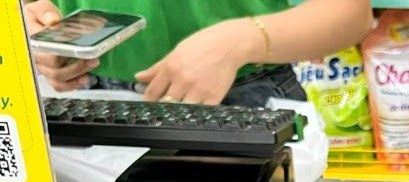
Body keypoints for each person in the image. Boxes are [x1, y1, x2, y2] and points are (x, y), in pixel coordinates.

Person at [22, 0, 373, 106]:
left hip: (242, 98)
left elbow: (349, 14)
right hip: (79, 101)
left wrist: (240, 40)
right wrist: (30, 24)